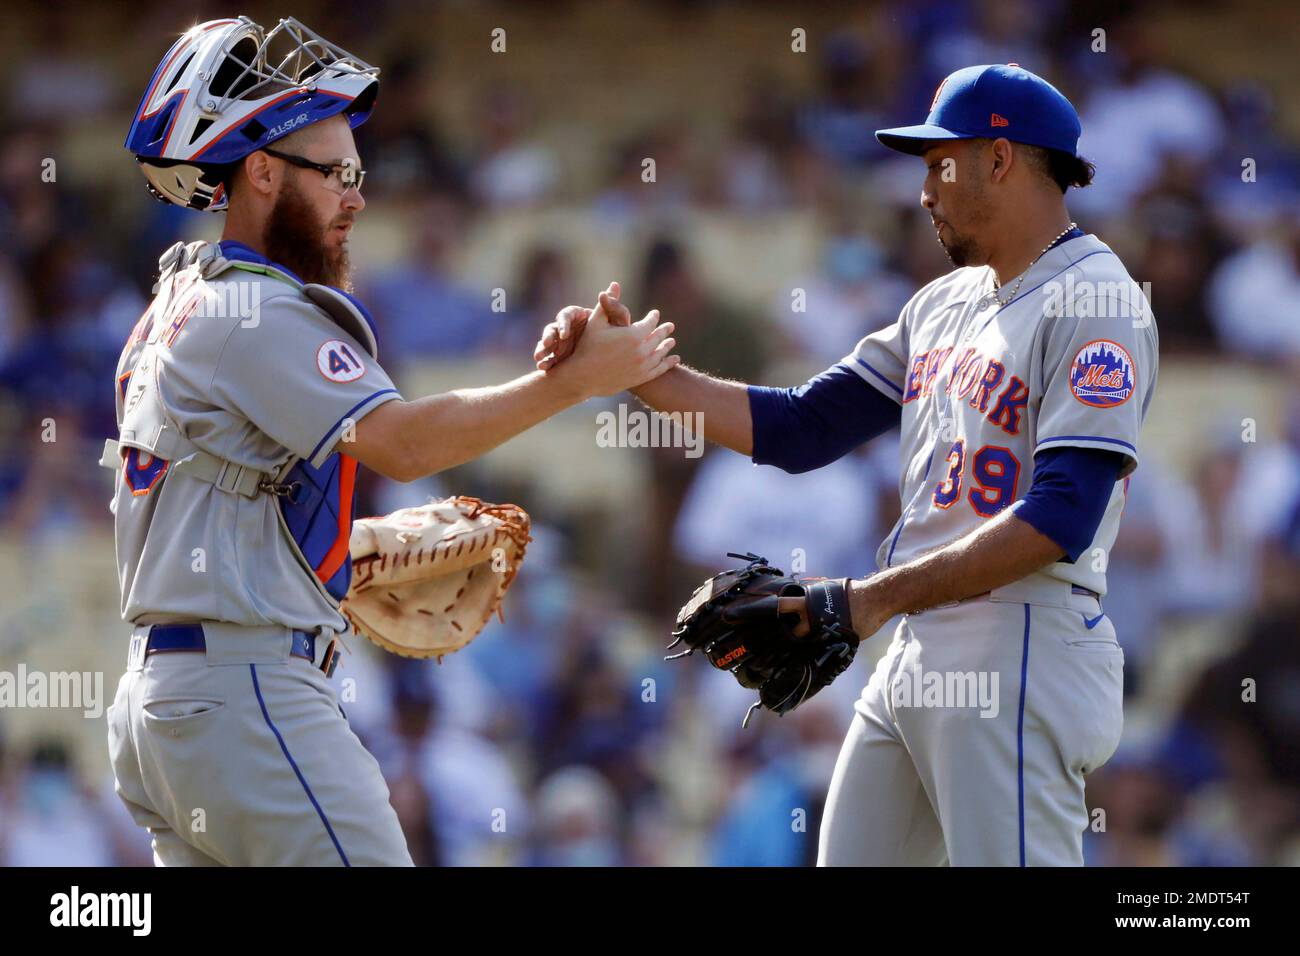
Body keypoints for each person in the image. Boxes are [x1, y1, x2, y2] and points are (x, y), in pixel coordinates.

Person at [536, 64, 1159, 866]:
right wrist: (637, 372)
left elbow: (1061, 516)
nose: (925, 192)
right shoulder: (943, 301)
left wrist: (864, 602)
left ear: (1000, 160)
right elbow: (802, 426)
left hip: (1020, 637)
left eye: (941, 164)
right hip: (913, 639)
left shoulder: (1095, 300)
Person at [104, 16, 676, 867]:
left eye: (357, 174)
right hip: (248, 694)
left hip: (165, 707)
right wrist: (575, 381)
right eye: (334, 173)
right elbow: (402, 445)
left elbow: (223, 496)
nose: (356, 197)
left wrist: (346, 551)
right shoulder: (257, 308)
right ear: (260, 172)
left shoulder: (174, 303)